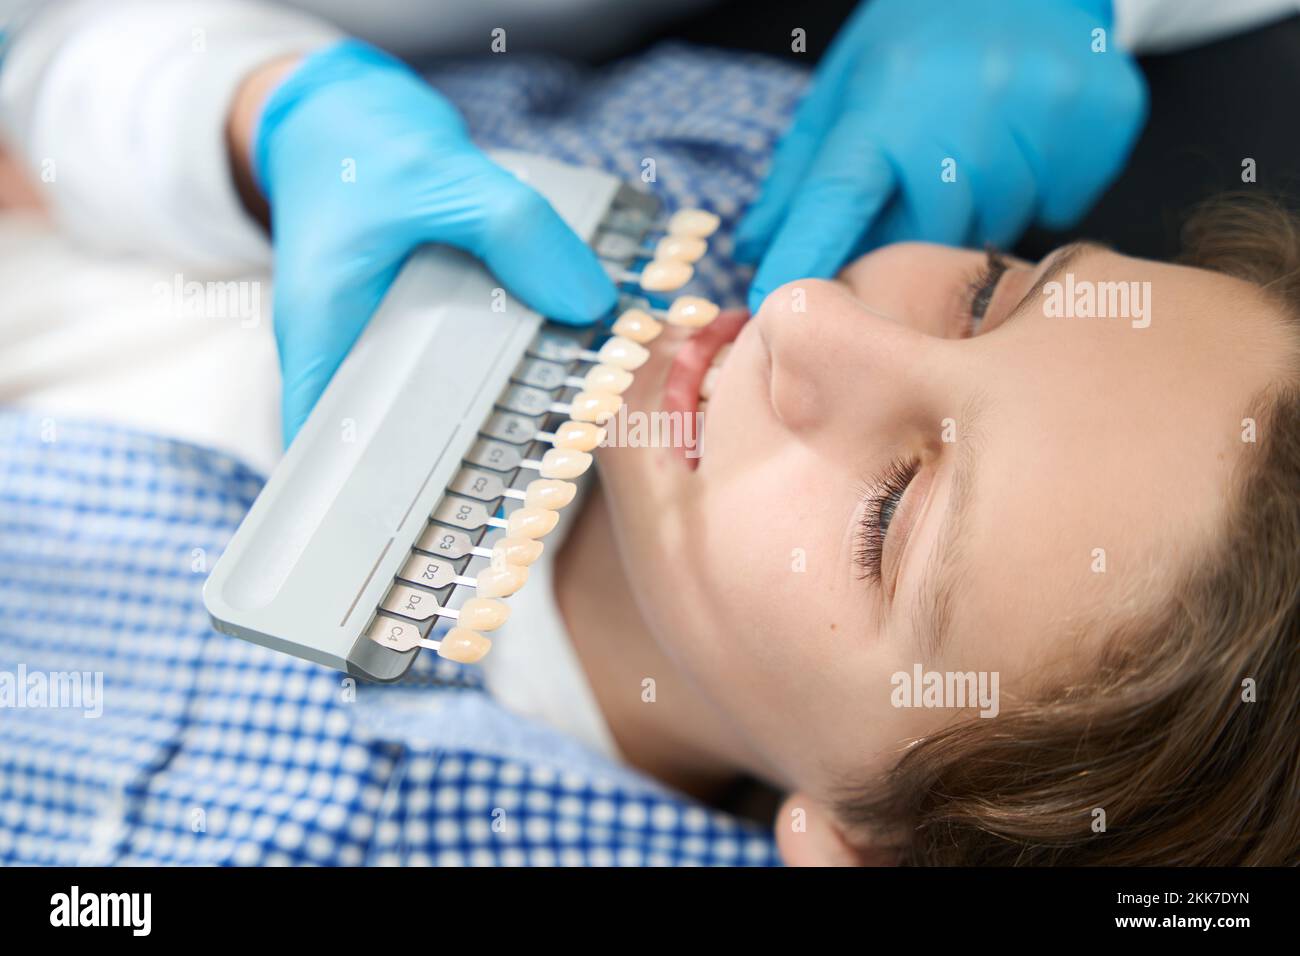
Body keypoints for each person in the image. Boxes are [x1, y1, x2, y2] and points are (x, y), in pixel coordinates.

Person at [4, 0, 1300, 448]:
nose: (804, 318)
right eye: (980, 301)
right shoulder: (706, 145)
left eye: (890, 512)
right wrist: (257, 114)